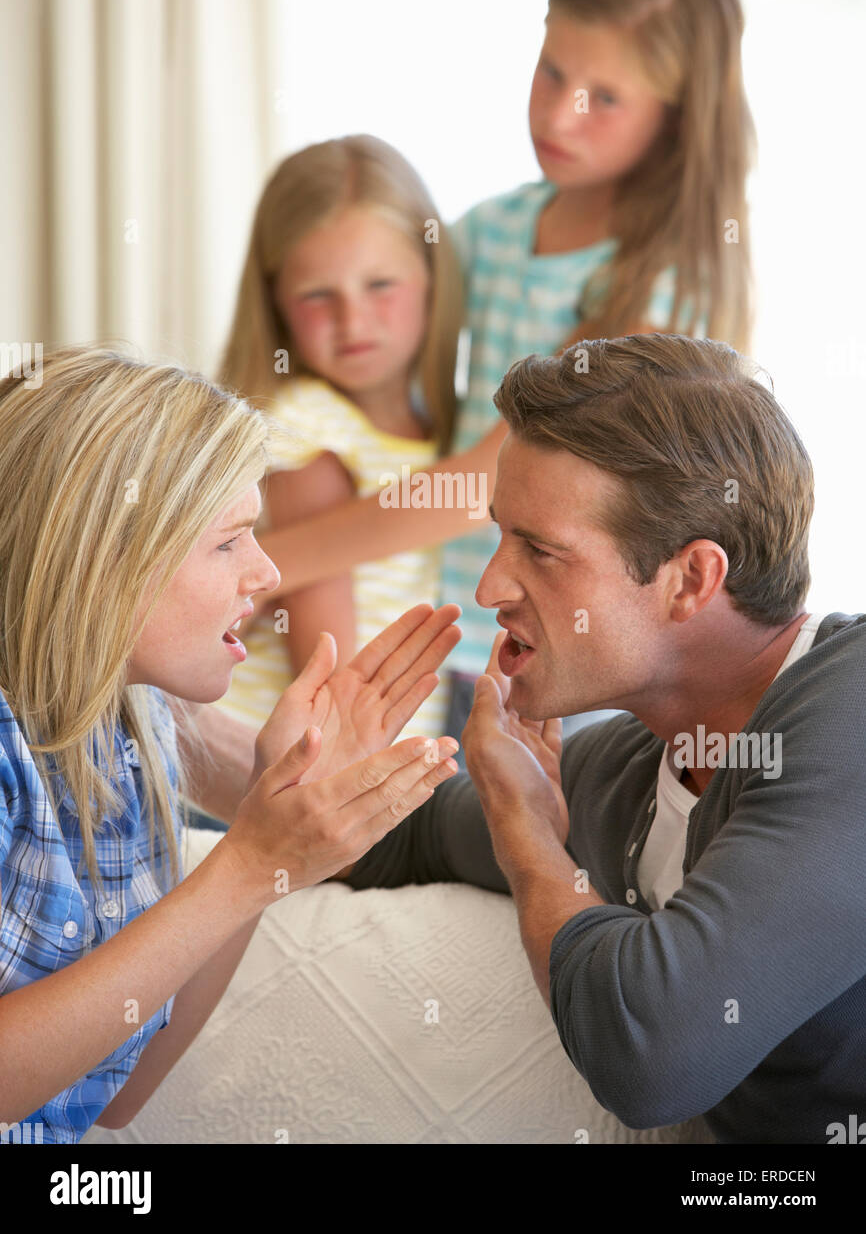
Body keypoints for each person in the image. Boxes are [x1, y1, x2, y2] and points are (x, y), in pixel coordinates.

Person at [232, 0, 757, 758]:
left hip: (575, 652)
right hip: (461, 638)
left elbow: (482, 480)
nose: (558, 113)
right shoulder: (494, 231)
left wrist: (259, 561)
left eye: (604, 97)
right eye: (553, 71)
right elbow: (380, 310)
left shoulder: (658, 288)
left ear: (675, 119)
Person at [337, 334, 866, 1146]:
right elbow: (396, 839)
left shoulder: (853, 711)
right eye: (499, 537)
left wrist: (527, 838)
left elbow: (654, 1056)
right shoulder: (623, 771)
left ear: (691, 579)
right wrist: (206, 740)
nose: (489, 588)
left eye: (541, 552)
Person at [0, 346, 460, 1144]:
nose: (267, 573)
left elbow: (112, 1097)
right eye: (229, 543)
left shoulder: (127, 738)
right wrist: (245, 865)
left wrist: (267, 825)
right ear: (103, 557)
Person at [212, 135, 463, 744]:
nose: (353, 322)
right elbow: (326, 671)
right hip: (289, 765)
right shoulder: (307, 427)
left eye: (380, 285)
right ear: (275, 301)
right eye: (319, 295)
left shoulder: (447, 427)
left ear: (432, 277)